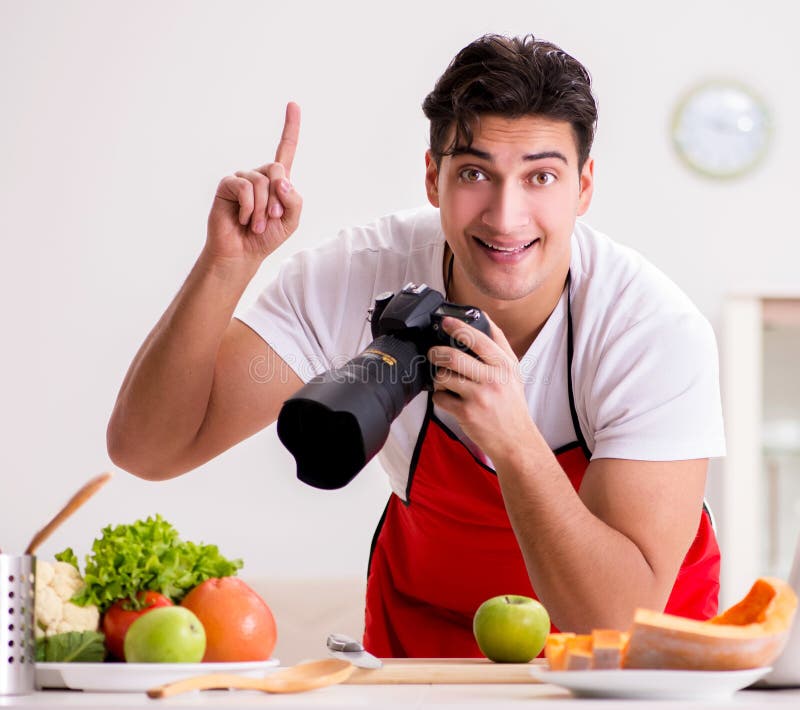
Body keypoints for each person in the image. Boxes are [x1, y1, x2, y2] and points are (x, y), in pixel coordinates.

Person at [107, 34, 725, 658]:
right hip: (428, 637)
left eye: (541, 176)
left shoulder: (651, 333)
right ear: (433, 179)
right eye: (475, 173)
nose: (506, 217)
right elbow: (150, 450)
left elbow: (612, 614)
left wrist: (512, 437)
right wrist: (226, 265)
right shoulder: (358, 278)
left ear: (584, 187)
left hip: (631, 659)